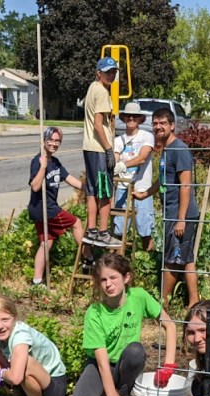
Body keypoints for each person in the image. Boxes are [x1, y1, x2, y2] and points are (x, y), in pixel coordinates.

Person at [71, 253, 178, 396]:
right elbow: (102, 364)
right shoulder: (94, 313)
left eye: (113, 278)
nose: (108, 284)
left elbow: (170, 325)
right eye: (103, 279)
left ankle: (123, 394)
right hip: (100, 365)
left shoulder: (138, 297)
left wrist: (168, 365)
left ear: (126, 277)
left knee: (136, 351)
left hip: (125, 363)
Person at [152, 107, 200, 308]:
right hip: (173, 213)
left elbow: (185, 185)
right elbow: (164, 180)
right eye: (155, 123)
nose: (158, 127)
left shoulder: (179, 149)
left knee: (172, 259)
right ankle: (194, 301)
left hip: (181, 214)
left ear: (172, 125)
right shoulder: (167, 149)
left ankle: (162, 304)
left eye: (163, 123)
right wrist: (146, 193)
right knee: (186, 258)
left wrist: (181, 219)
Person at [28, 126, 86, 287]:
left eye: (57, 141)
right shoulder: (38, 161)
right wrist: (43, 167)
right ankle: (88, 258)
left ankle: (36, 281)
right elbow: (35, 186)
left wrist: (88, 189)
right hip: (44, 208)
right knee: (76, 223)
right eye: (51, 140)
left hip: (43, 208)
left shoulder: (55, 162)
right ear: (44, 141)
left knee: (46, 243)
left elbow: (69, 179)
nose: (54, 144)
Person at [81, 56, 120, 248]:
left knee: (92, 190)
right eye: (107, 72)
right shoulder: (102, 92)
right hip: (99, 149)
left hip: (89, 147)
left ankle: (91, 230)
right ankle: (103, 233)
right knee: (105, 191)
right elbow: (98, 124)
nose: (111, 75)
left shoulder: (92, 88)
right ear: (98, 73)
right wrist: (109, 150)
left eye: (113, 72)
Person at [113, 101, 155, 252]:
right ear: (124, 118)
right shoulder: (118, 140)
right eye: (128, 116)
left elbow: (143, 157)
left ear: (140, 119)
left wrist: (123, 165)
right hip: (123, 188)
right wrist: (116, 164)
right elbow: (115, 156)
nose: (131, 118)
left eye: (135, 116)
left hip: (142, 188)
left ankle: (147, 258)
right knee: (119, 230)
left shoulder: (147, 136)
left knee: (145, 230)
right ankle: (118, 259)